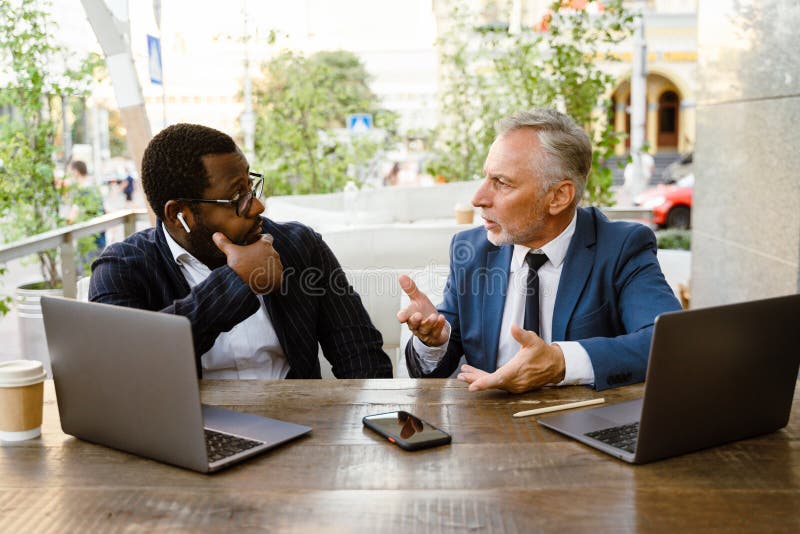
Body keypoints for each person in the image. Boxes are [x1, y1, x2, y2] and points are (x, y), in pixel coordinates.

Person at [397, 108, 681, 393]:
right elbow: (438, 363)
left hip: (585, 425)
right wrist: (433, 342)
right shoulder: (471, 249)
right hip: (487, 427)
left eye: (502, 183)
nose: (478, 198)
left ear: (558, 196)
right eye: (485, 178)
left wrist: (560, 361)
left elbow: (666, 342)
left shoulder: (621, 247)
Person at [89, 123, 392, 379]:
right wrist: (237, 282)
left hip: (300, 428)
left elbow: (362, 358)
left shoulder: (299, 246)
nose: (257, 205)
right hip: (189, 437)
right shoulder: (121, 268)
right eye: (236, 196)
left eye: (251, 187)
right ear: (179, 214)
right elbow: (123, 367)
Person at [66, 160, 106, 275]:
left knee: (86, 274)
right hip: (99, 237)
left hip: (87, 239)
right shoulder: (95, 188)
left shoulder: (81, 191)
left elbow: (73, 215)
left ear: (76, 172)